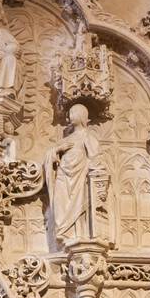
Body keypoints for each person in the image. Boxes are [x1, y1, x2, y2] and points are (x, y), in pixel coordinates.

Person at [45, 103, 104, 243]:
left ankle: (78, 234)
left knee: (78, 205)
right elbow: (50, 157)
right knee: (60, 203)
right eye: (70, 113)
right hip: (63, 176)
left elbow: (95, 157)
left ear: (82, 116)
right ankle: (63, 232)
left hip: (79, 177)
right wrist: (58, 150)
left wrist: (89, 169)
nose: (70, 116)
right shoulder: (65, 140)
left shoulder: (87, 137)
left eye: (73, 113)